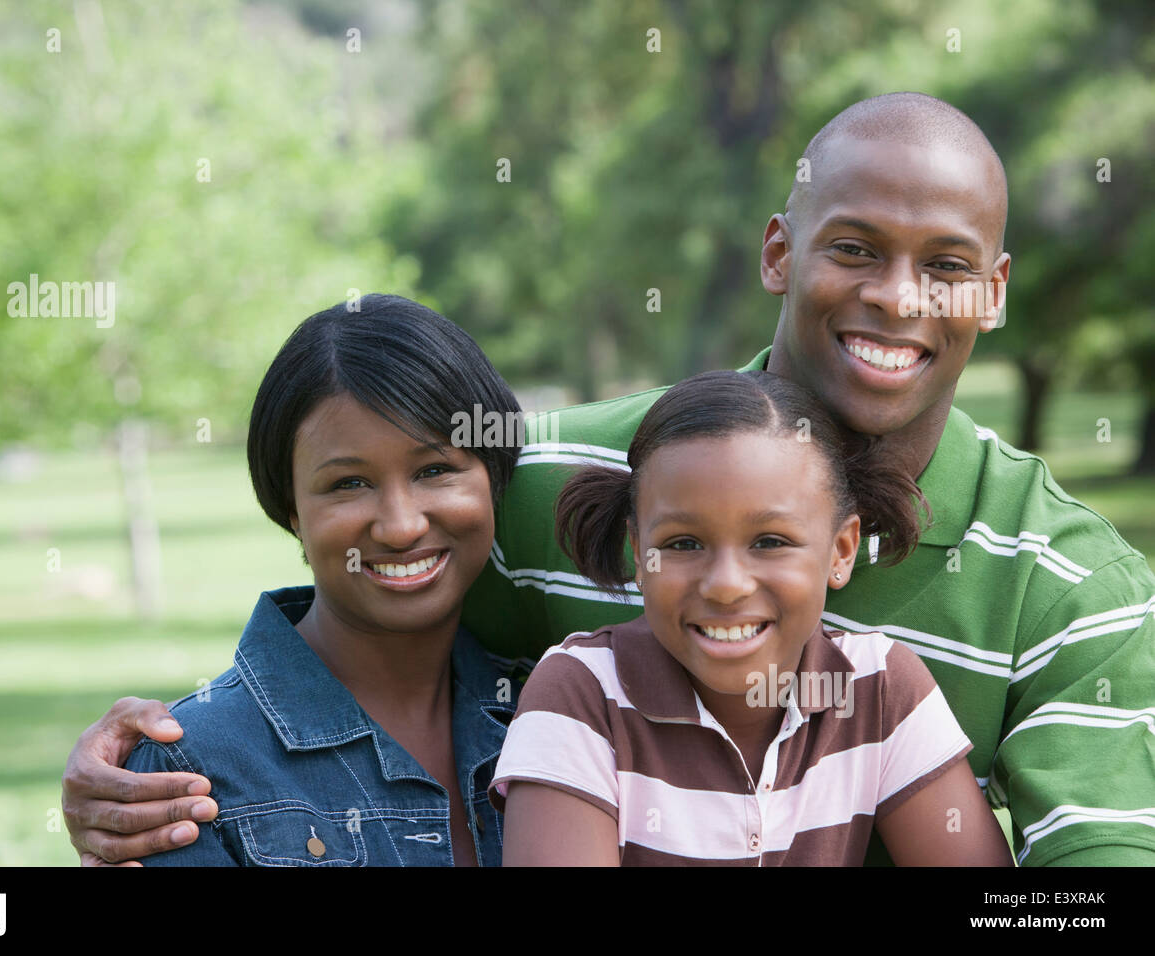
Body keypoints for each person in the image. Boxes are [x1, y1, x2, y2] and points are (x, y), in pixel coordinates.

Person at [62, 92, 1155, 866]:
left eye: (947, 267)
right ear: (779, 253)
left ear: (996, 290)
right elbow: (368, 612)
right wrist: (165, 769)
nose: (899, 298)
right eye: (854, 248)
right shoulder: (547, 486)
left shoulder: (1073, 592)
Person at [492, 370, 1012, 865]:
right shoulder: (581, 695)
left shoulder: (878, 690)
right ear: (638, 551)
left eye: (770, 542)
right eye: (683, 543)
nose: (725, 585)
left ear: (841, 550)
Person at [116, 294, 525, 865]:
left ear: (496, 477)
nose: (402, 526)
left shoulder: (555, 708)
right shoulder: (187, 770)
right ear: (291, 512)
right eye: (348, 484)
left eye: (435, 470)